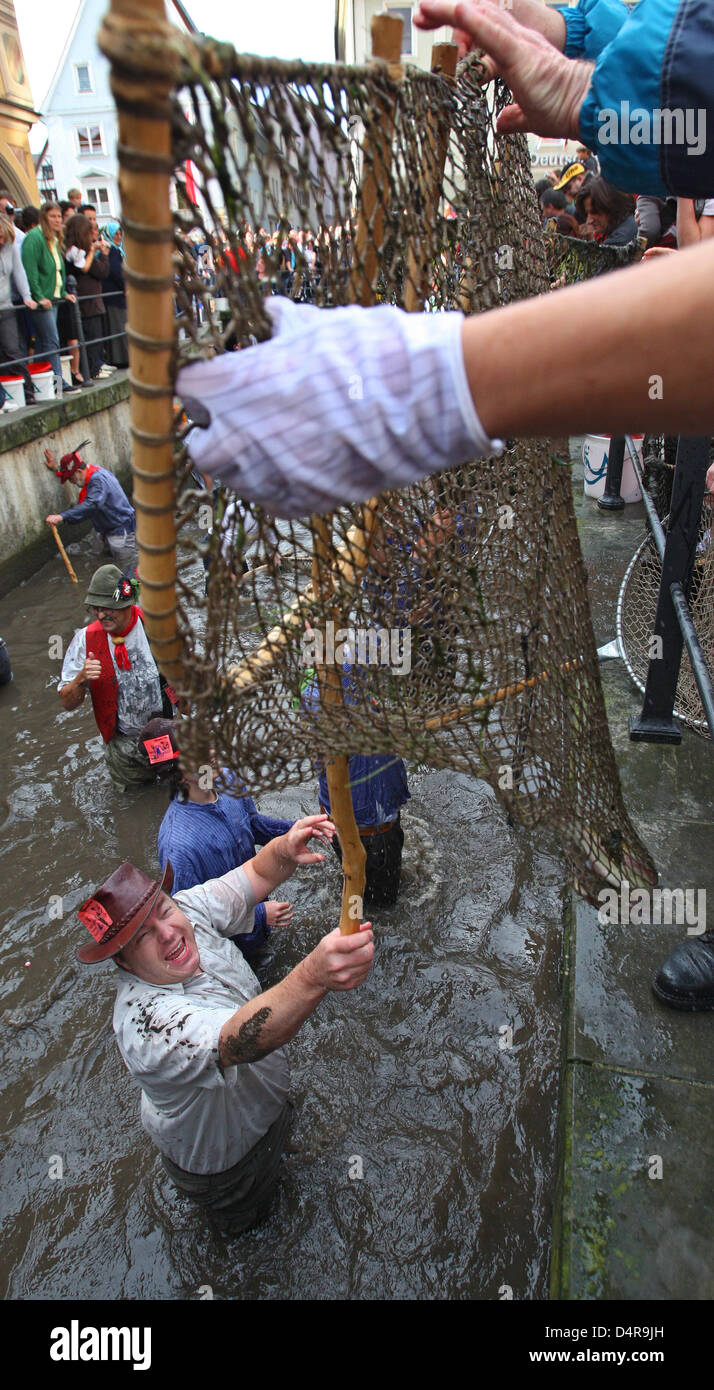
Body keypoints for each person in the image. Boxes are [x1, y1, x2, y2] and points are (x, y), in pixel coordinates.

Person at [74, 844, 374, 1234]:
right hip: (227, 1166)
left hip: (261, 1104)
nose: (168, 933)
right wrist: (314, 975)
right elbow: (239, 1041)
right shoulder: (146, 1025)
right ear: (123, 961)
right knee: (252, 1236)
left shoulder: (185, 908)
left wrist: (287, 846)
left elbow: (254, 877)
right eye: (143, 937)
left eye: (164, 911)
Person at [137, 715, 295, 956]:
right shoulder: (178, 846)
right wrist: (259, 915)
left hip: (259, 905)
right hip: (232, 946)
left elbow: (252, 826)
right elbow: (194, 921)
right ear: (178, 775)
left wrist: (297, 830)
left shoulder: (229, 778)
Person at [58, 563, 175, 790]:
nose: (101, 614)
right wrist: (81, 679)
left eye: (108, 608)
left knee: (170, 794)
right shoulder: (85, 641)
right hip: (123, 747)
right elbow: (66, 703)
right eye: (96, 608)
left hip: (165, 735)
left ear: (127, 604)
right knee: (132, 804)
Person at [43, 441, 137, 568]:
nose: (71, 482)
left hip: (120, 530)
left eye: (71, 479)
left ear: (80, 471)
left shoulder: (98, 481)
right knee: (96, 561)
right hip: (105, 528)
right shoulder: (92, 471)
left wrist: (61, 516)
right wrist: (56, 468)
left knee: (126, 568)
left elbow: (91, 504)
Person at [20, 201, 80, 394]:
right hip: (42, 300)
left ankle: (41, 386)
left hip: (53, 298)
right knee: (51, 341)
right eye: (52, 216)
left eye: (59, 216)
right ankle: (57, 383)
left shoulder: (53, 239)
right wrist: (38, 297)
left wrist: (63, 293)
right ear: (44, 217)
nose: (57, 220)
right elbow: (31, 271)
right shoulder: (34, 238)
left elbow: (57, 269)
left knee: (43, 344)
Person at [63, 213, 111, 379]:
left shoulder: (79, 251)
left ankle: (93, 368)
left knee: (94, 337)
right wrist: (96, 251)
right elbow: (85, 267)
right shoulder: (74, 251)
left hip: (90, 301)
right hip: (85, 302)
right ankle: (88, 370)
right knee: (90, 337)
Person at [0, 213, 36, 404]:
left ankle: (27, 390)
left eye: (3, 237)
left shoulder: (10, 247)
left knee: (13, 349)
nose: (1, 241)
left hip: (6, 306)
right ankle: (5, 397)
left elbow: (19, 272)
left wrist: (26, 296)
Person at [574, 176, 637, 246]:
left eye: (595, 212)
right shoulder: (627, 226)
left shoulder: (617, 242)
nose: (589, 220)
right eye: (587, 214)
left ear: (611, 207)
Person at [102, 220, 128, 367]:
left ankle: (122, 357)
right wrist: (125, 286)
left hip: (117, 295)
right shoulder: (112, 251)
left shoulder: (118, 250)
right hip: (114, 296)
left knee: (120, 326)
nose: (118, 237)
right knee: (118, 326)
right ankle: (121, 359)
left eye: (119, 234)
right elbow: (115, 271)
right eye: (115, 234)